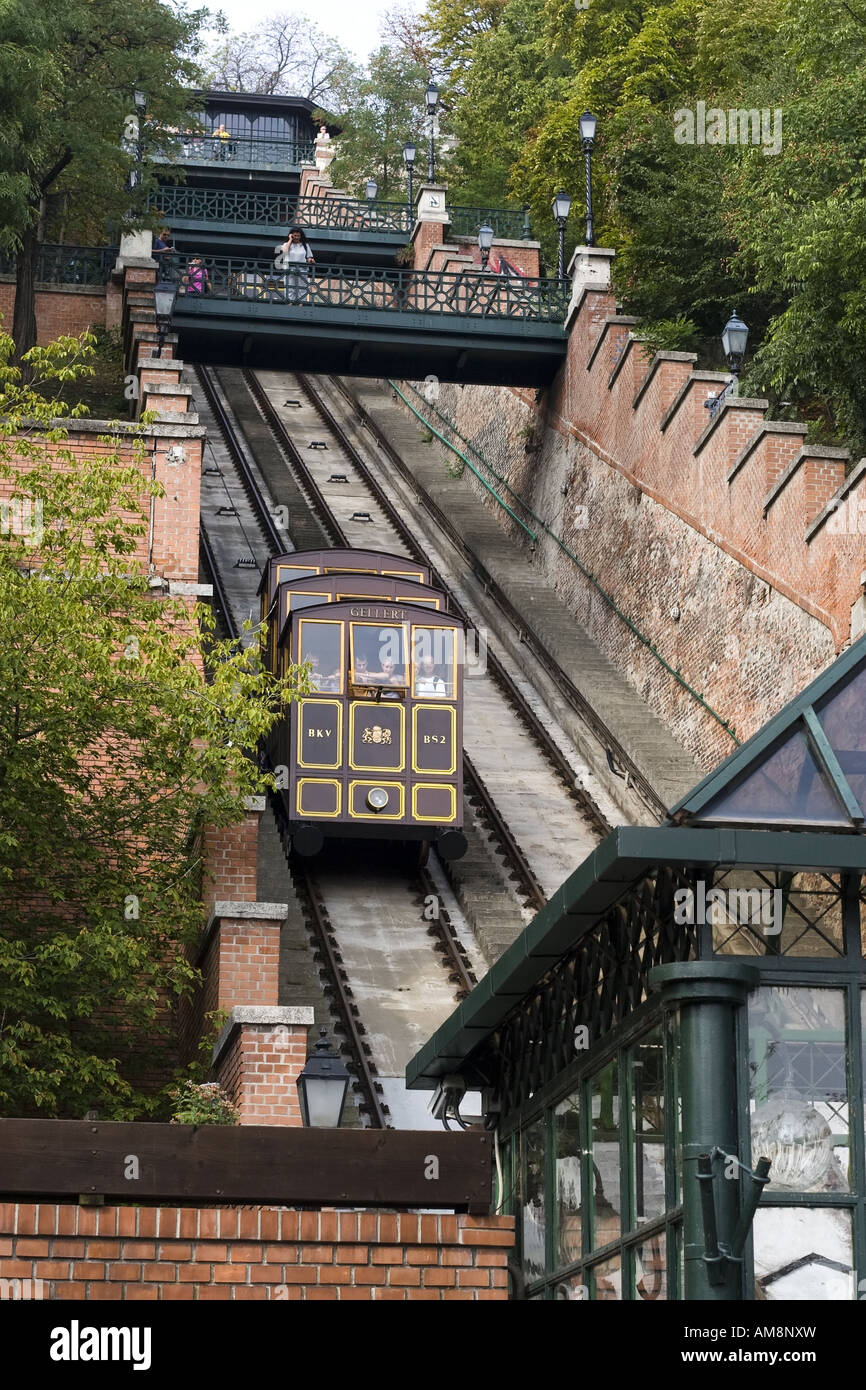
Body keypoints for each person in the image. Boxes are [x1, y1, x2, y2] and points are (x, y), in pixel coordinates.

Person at [276, 226, 315, 304]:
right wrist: (290, 239)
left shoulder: (305, 245)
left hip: (302, 269)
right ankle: (290, 302)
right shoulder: (286, 244)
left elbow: (308, 257)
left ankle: (301, 303)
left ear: (301, 236)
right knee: (290, 286)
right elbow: (285, 251)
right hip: (289, 269)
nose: (297, 237)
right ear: (291, 235)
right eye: (295, 236)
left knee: (302, 287)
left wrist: (310, 260)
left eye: (298, 236)